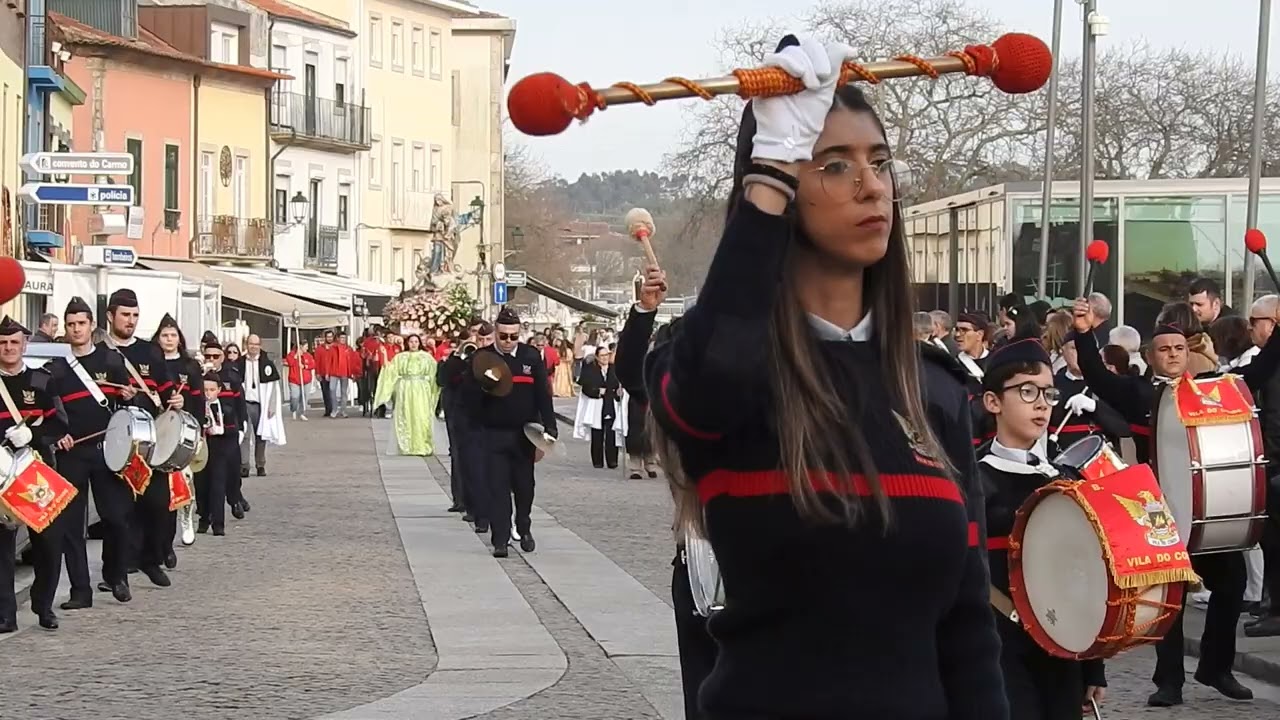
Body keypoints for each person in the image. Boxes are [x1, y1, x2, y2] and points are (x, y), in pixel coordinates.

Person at [642, 37, 1005, 718]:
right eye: (833, 165)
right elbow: (710, 382)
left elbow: (966, 628)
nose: (872, 186)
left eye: (879, 162)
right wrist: (770, 174)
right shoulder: (718, 368)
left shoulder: (934, 390)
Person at [1070, 298, 1280, 707]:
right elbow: (1095, 374)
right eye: (1164, 350)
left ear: (1188, 352)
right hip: (1160, 512)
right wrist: (1083, 332)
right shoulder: (1137, 392)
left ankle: (1216, 667)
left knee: (1232, 583)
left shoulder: (1211, 387)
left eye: (1179, 349)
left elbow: (1259, 371)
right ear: (1150, 357)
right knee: (1171, 599)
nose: (1172, 355)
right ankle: (1169, 682)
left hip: (1206, 513)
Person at [977, 335, 1107, 718]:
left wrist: (1093, 665)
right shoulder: (972, 480)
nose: (1041, 404)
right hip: (996, 648)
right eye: (1027, 391)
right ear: (993, 401)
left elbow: (1087, 577)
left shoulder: (1067, 480)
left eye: (1049, 394)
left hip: (1061, 649)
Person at [49, 296, 136, 606]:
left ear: (92, 325)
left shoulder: (110, 361)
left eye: (81, 324)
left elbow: (128, 406)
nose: (76, 329)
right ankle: (80, 591)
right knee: (73, 526)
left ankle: (117, 576)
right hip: (72, 453)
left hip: (105, 449)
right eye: (70, 324)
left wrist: (127, 397)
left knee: (116, 518)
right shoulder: (55, 367)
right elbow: (48, 413)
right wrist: (60, 435)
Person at [104, 288, 182, 589]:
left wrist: (176, 402)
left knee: (159, 506)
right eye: (125, 315)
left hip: (149, 442)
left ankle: (151, 559)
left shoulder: (151, 352)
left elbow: (166, 390)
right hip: (118, 442)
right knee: (119, 514)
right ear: (111, 316)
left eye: (135, 316)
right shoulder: (102, 352)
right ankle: (118, 573)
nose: (131, 321)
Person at [0, 317, 72, 631]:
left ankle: (44, 605)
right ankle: (5, 615)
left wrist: (34, 435)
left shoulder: (42, 381)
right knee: (2, 550)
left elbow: (60, 423)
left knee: (48, 545)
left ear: (25, 345)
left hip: (37, 471)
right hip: (1, 475)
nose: (9, 348)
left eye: (15, 342)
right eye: (2, 343)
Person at [472, 307, 557, 558]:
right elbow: (469, 398)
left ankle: (524, 525)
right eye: (503, 336)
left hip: (524, 434)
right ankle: (500, 537)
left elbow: (543, 395)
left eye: (513, 336)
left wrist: (549, 428)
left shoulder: (531, 357)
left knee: (524, 487)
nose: (508, 341)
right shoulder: (483, 358)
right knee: (497, 487)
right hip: (494, 433)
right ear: (495, 333)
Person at [151, 314, 206, 569]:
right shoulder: (151, 363)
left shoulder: (190, 366)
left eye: (173, 335)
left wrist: (198, 431)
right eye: (164, 335)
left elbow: (199, 400)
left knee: (179, 484)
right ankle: (154, 547)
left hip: (182, 432)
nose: (169, 339)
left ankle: (179, 527)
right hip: (155, 432)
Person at [438, 321, 495, 525]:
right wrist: (456, 357)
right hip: (462, 414)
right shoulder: (461, 356)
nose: (478, 339)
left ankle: (484, 506)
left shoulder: (496, 358)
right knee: (462, 457)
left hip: (489, 417)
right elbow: (443, 380)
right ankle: (464, 500)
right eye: (474, 334)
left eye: (485, 336)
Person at [195, 334, 247, 536]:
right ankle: (204, 516)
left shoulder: (231, 377)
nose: (211, 360)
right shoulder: (197, 376)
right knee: (202, 481)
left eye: (216, 356)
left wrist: (241, 428)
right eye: (208, 355)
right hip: (204, 438)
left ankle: (221, 518)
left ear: (222, 357)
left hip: (227, 436)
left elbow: (239, 405)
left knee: (222, 479)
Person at [373, 334, 439, 455]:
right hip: (405, 389)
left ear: (419, 343)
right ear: (407, 343)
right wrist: (385, 356)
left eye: (416, 341)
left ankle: (422, 444)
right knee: (406, 415)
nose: (413, 344)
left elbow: (434, 373)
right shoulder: (400, 357)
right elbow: (390, 370)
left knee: (421, 415)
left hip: (421, 389)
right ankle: (407, 445)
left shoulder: (426, 357)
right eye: (411, 342)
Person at [236, 333, 283, 478]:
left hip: (260, 405)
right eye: (251, 344)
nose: (253, 347)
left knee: (261, 435)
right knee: (244, 435)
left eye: (256, 344)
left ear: (260, 346)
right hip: (244, 403)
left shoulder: (267, 363)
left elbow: (274, 386)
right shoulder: (240, 362)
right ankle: (244, 465)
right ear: (246, 345)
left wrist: (272, 406)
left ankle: (260, 464)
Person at [575, 345, 622, 469]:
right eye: (602, 355)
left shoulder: (614, 369)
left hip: (611, 404)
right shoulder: (591, 369)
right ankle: (597, 460)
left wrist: (618, 392)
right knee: (597, 432)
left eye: (607, 355)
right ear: (597, 357)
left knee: (612, 432)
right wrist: (596, 391)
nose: (605, 358)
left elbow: (618, 385)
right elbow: (586, 387)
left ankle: (612, 460)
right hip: (596, 404)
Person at [285, 340, 315, 420]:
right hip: (294, 380)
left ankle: (302, 412)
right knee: (295, 396)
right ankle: (293, 409)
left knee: (304, 397)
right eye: (306, 346)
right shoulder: (291, 354)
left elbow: (312, 365)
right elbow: (290, 363)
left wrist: (305, 366)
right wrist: (295, 356)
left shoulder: (308, 355)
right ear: (301, 346)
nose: (307, 348)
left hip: (306, 380)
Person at [314, 330, 336, 417]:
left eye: (331, 337)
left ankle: (333, 409)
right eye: (328, 337)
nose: (330, 338)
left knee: (332, 391)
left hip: (333, 372)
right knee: (325, 392)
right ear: (325, 338)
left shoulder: (335, 347)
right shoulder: (320, 349)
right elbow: (317, 361)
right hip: (322, 373)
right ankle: (328, 409)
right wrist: (317, 373)